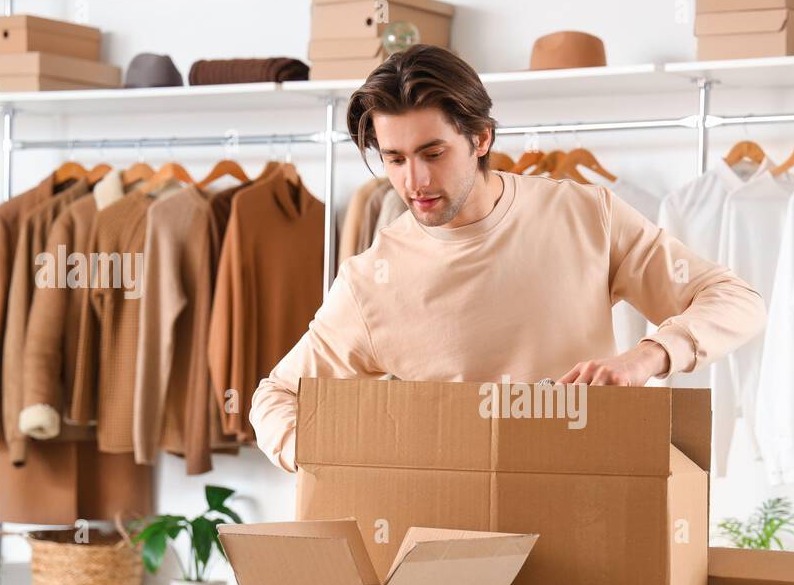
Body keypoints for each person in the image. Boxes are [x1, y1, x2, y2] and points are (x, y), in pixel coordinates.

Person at [251, 44, 765, 472]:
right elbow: (274, 398)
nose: (415, 182)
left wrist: (646, 358)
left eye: (433, 153)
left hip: (591, 510)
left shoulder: (586, 215)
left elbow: (737, 301)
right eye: (395, 159)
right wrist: (336, 461)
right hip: (452, 539)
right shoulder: (370, 282)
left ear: (480, 137)